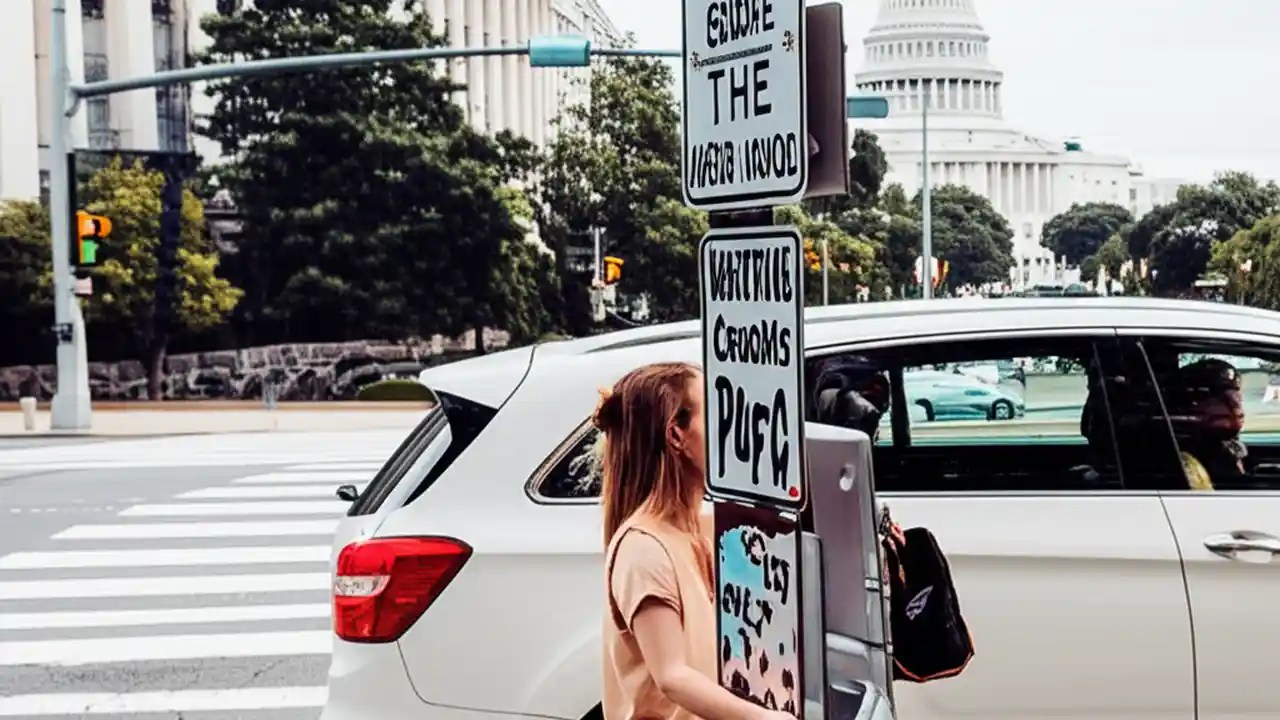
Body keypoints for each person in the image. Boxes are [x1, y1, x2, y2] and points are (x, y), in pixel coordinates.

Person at [595, 362, 793, 720]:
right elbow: (672, 676)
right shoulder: (643, 548)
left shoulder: (696, 527)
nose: (730, 426)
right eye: (717, 413)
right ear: (676, 436)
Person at [1165, 358, 1248, 490]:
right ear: (1193, 401)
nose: (1236, 401)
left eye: (1237, 390)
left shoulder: (1224, 445)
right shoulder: (1187, 458)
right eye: (1221, 394)